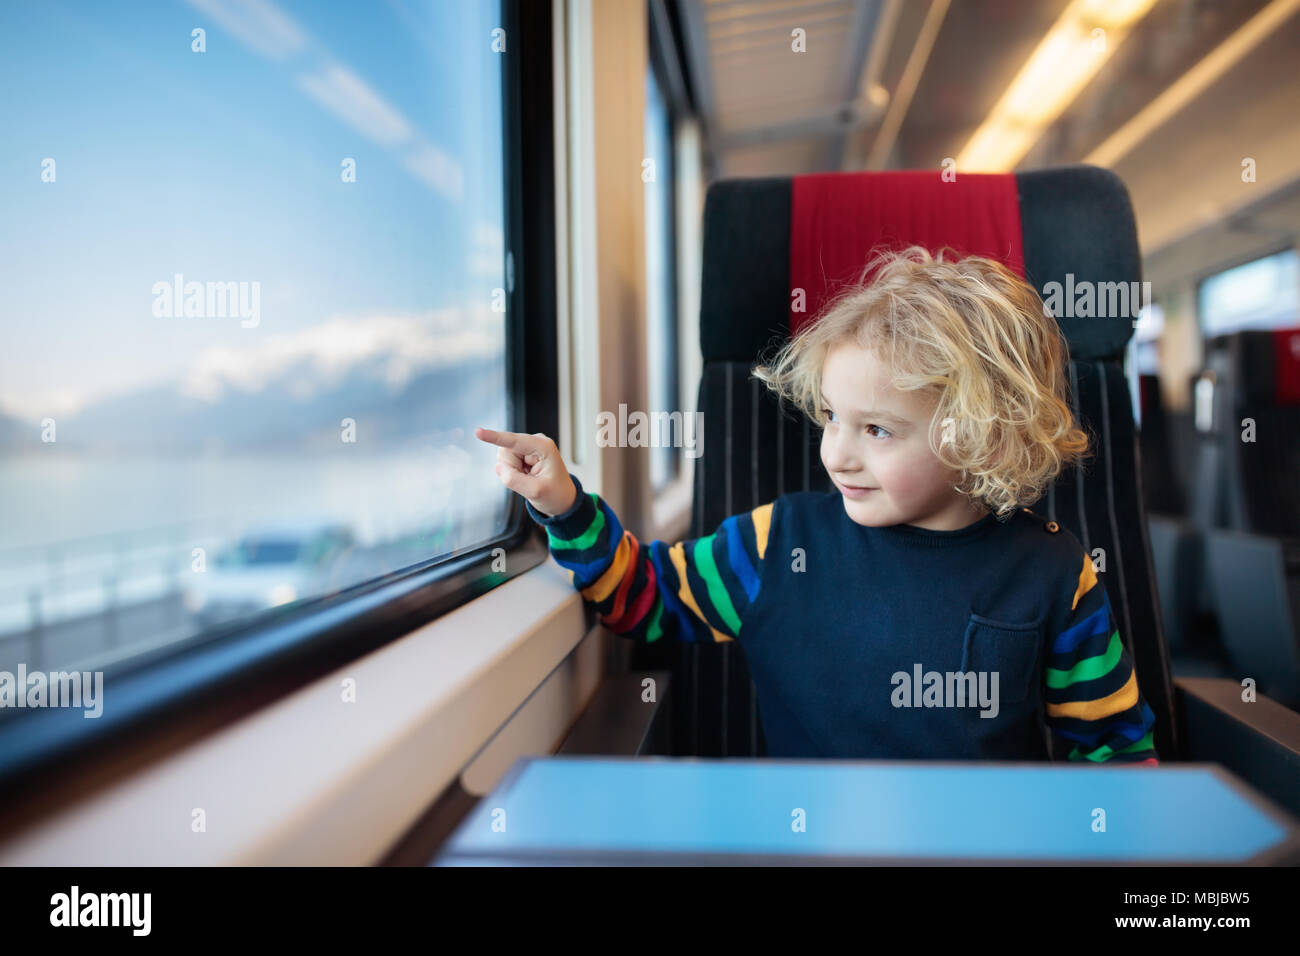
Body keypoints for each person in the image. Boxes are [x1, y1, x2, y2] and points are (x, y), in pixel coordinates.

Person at [475, 245, 1160, 763]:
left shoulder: (1054, 572)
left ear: (980, 435)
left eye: (878, 430)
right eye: (832, 417)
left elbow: (1111, 751)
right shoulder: (776, 544)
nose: (836, 453)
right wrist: (564, 505)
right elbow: (641, 596)